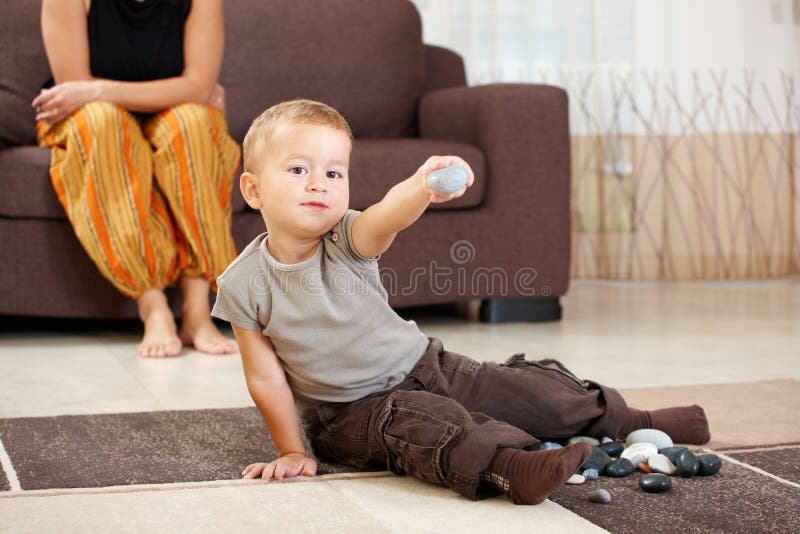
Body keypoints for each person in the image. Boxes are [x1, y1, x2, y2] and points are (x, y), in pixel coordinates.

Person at [211, 99, 711, 504]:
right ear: (253, 190)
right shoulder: (242, 283)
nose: (318, 183)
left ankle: (630, 421)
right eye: (298, 169)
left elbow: (386, 216)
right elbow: (264, 375)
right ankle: (510, 469)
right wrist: (291, 449)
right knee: (433, 427)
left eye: (334, 173)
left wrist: (422, 185)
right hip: (350, 414)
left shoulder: (346, 238)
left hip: (427, 363)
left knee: (527, 394)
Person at [34, 0, 239, 358]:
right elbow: (73, 89)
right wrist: (100, 95)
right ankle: (152, 304)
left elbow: (198, 88)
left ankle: (196, 308)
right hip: (90, 117)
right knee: (102, 122)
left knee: (196, 123)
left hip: (162, 113)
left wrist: (100, 89)